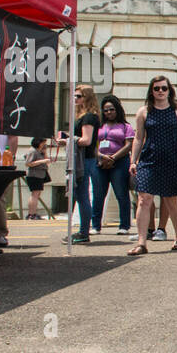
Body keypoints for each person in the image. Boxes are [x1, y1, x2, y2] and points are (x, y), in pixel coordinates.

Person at [127, 75, 177, 255]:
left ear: (169, 90)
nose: (161, 91)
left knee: (171, 201)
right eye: (157, 89)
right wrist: (134, 160)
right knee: (144, 199)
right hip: (149, 160)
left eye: (164, 88)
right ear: (151, 91)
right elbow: (138, 138)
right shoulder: (144, 111)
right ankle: (142, 242)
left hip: (172, 159)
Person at [91, 94, 134, 235]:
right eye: (106, 110)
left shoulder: (125, 126)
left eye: (112, 109)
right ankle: (95, 226)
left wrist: (113, 158)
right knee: (98, 194)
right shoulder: (99, 126)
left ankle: (124, 225)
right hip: (100, 162)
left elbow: (129, 145)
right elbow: (92, 144)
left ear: (118, 110)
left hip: (120, 162)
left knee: (121, 194)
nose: (109, 112)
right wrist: (101, 156)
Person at [71, 86, 101, 243]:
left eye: (79, 96)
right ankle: (83, 231)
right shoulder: (85, 116)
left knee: (82, 194)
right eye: (74, 96)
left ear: (86, 98)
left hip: (85, 159)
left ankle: (84, 232)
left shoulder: (89, 117)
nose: (75, 99)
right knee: (79, 194)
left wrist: (68, 140)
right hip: (85, 158)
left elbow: (86, 140)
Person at [24, 137, 52, 219]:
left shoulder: (39, 152)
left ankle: (33, 213)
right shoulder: (32, 151)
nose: (44, 145)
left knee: (37, 194)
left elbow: (47, 161)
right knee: (35, 194)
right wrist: (42, 161)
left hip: (40, 175)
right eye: (43, 143)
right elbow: (29, 163)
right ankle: (31, 214)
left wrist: (44, 152)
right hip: (34, 175)